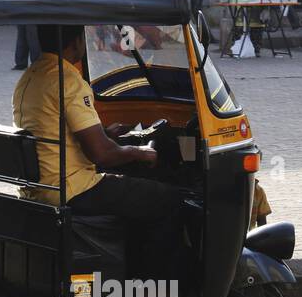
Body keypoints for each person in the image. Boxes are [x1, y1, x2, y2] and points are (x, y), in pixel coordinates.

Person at [13, 24, 184, 281]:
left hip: (40, 185)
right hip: (72, 188)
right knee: (167, 199)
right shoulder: (67, 79)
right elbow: (102, 155)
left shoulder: (30, 76)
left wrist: (105, 132)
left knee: (134, 194)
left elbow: (59, 126)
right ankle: (155, 291)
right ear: (75, 43)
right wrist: (140, 153)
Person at [14, 0, 50, 70]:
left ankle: (21, 62)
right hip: (33, 14)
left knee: (22, 38)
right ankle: (36, 63)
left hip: (22, 13)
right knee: (33, 39)